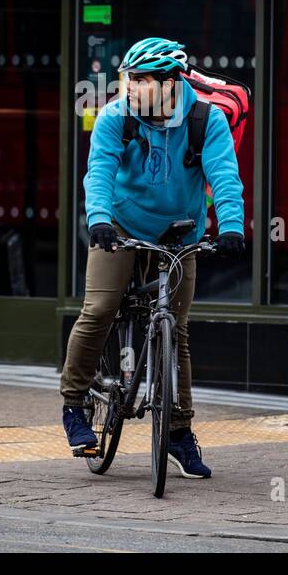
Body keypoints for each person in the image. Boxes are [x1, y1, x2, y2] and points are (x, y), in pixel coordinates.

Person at [59, 36, 246, 478]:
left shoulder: (206, 121)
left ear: (170, 83)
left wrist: (232, 227)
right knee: (100, 308)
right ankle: (74, 405)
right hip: (119, 225)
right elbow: (100, 170)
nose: (132, 87)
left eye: (141, 80)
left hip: (180, 232)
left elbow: (224, 176)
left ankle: (179, 433)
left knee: (175, 330)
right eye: (130, 78)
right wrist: (100, 218)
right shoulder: (115, 117)